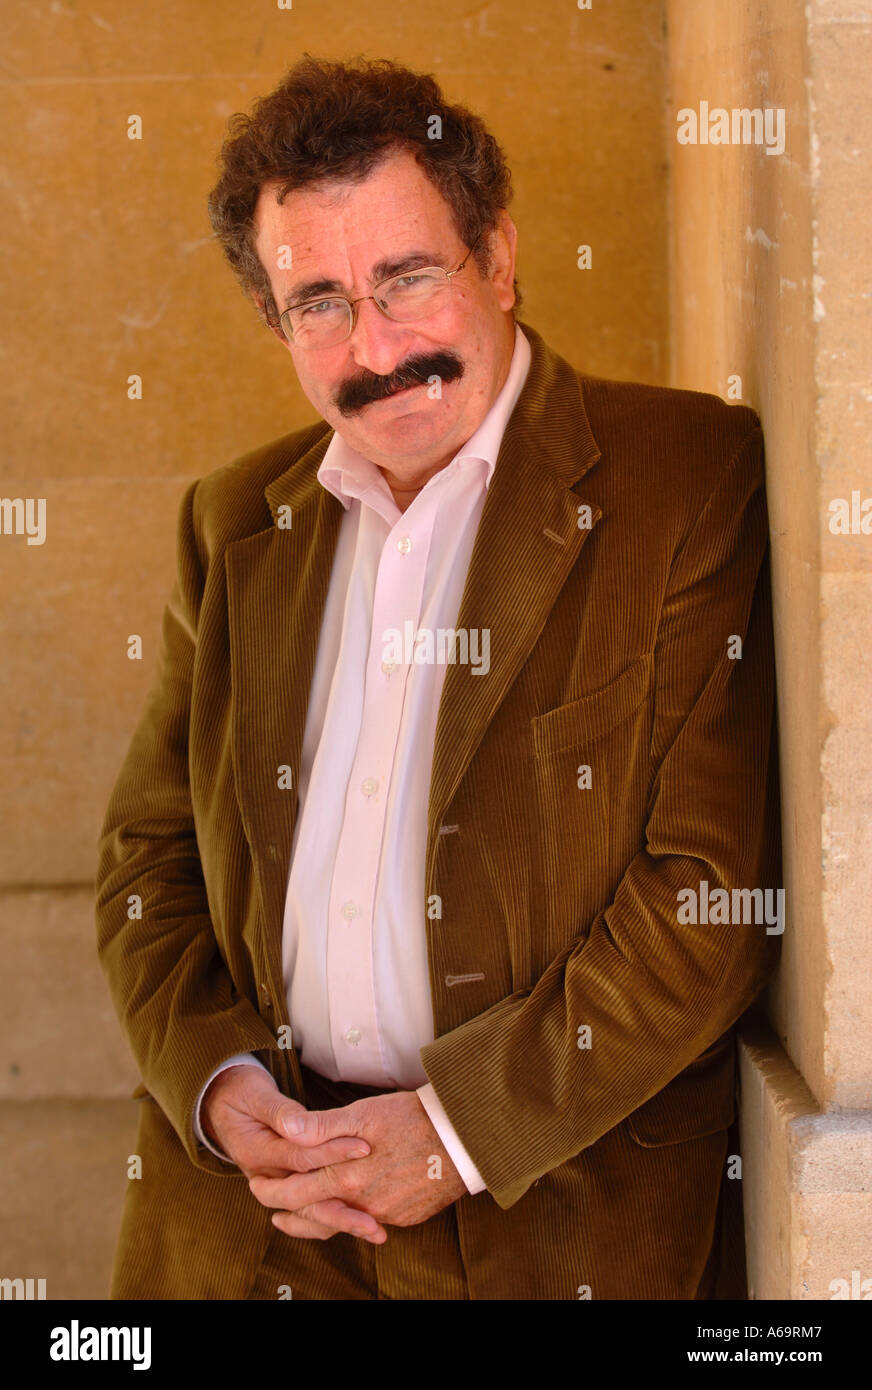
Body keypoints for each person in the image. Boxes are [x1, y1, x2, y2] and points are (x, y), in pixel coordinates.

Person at [95, 54, 781, 1300]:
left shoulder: (682, 479)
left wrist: (459, 1130)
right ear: (275, 322)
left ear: (499, 258)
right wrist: (218, 1082)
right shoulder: (233, 522)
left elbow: (710, 895)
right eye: (318, 302)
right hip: (254, 1226)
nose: (375, 345)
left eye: (407, 278)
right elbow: (149, 866)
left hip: (548, 1215)